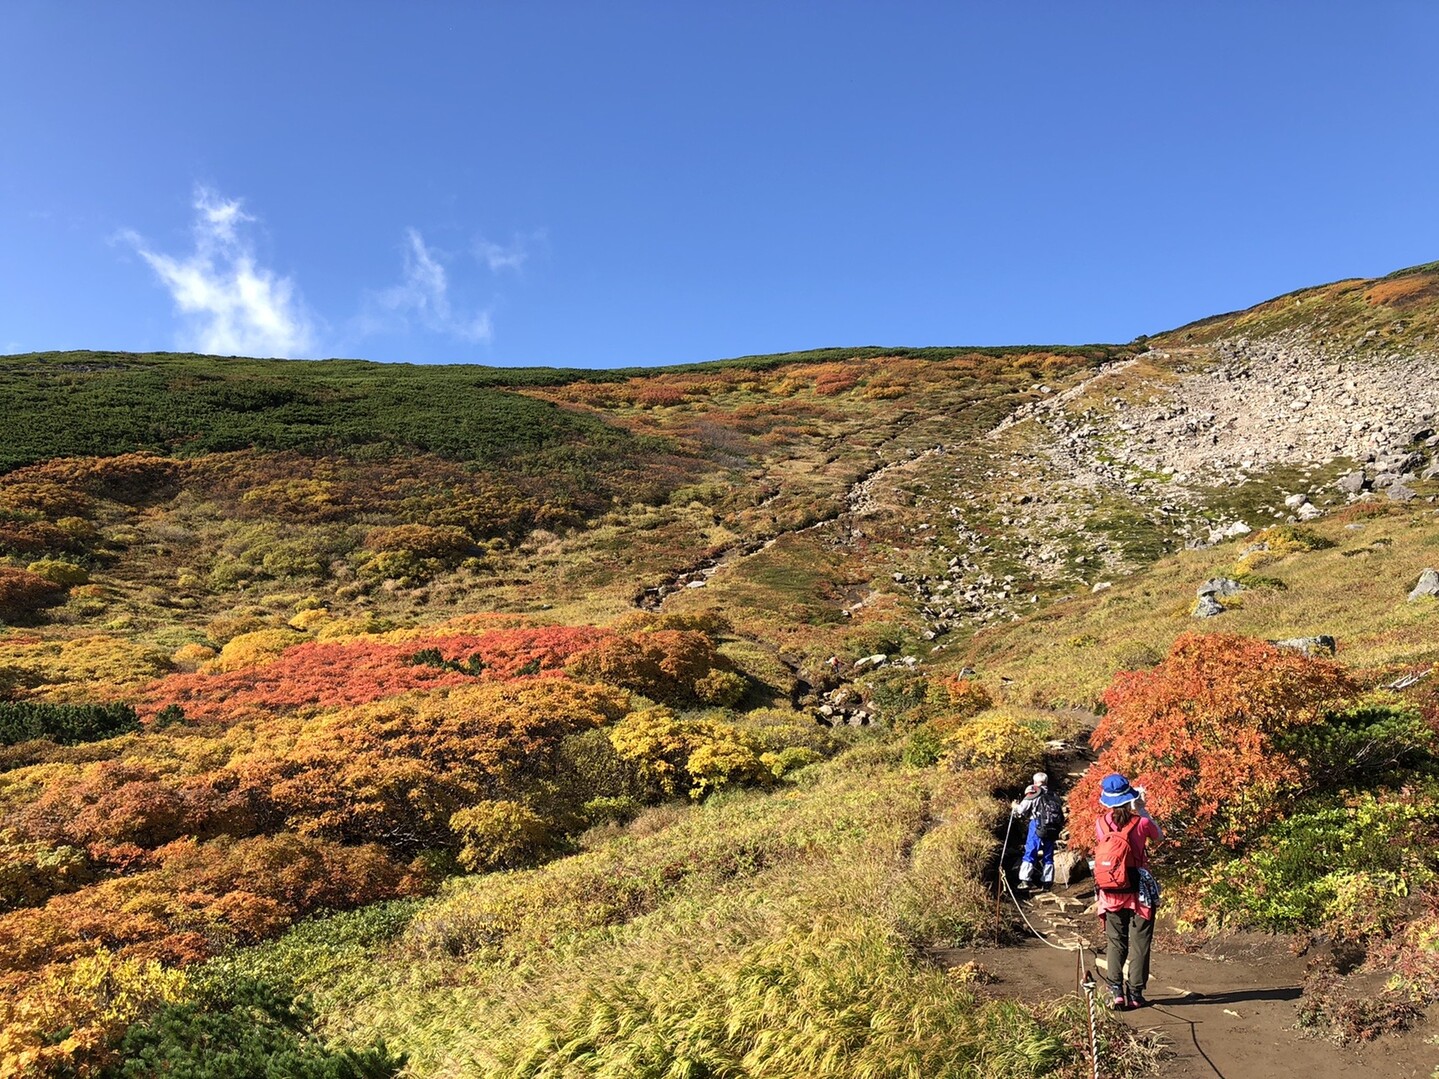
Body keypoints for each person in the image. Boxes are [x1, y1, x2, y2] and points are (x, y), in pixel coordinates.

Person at [1094, 773, 1163, 1010]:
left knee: (1116, 941)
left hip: (1111, 890)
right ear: (1129, 797)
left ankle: (1116, 991)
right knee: (1140, 942)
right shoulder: (1141, 823)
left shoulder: (1100, 824)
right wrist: (1142, 809)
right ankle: (1135, 993)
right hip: (1140, 890)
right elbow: (1159, 837)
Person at [1010, 771, 1062, 891]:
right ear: (1046, 782)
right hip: (1052, 828)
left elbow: (1021, 810)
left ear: (1035, 782)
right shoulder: (1054, 795)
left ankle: (1025, 880)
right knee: (1048, 855)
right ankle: (1047, 882)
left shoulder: (1034, 792)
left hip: (1037, 825)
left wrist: (1014, 806)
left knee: (1031, 851)